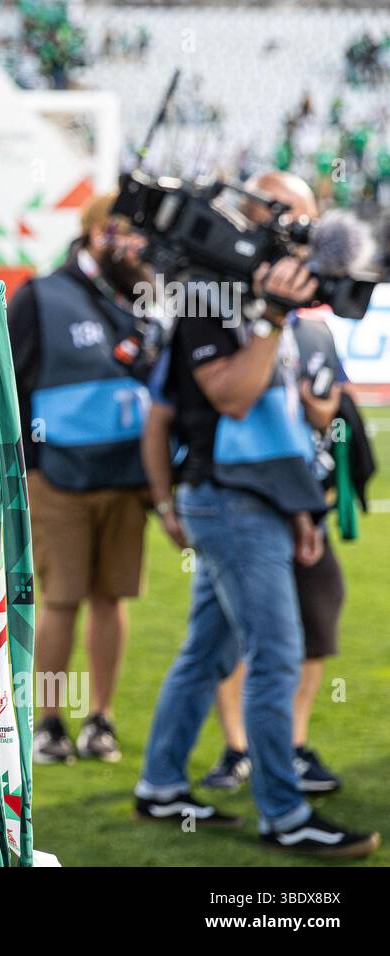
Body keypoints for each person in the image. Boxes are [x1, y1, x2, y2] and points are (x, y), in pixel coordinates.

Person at [132, 170, 379, 858]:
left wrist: (303, 504)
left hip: (264, 496)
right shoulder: (212, 297)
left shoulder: (259, 301)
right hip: (229, 499)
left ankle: (159, 784)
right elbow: (234, 398)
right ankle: (284, 812)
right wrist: (272, 317)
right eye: (294, 227)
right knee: (276, 655)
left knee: (207, 651)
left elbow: (281, 422)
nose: (307, 247)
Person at [8, 192, 154, 764]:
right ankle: (48, 722)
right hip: (57, 478)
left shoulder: (142, 296)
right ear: (97, 234)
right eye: (126, 233)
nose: (137, 246)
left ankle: (101, 718)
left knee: (111, 599)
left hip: (126, 478)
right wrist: (29, 470)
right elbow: (10, 387)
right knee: (62, 601)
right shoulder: (42, 295)